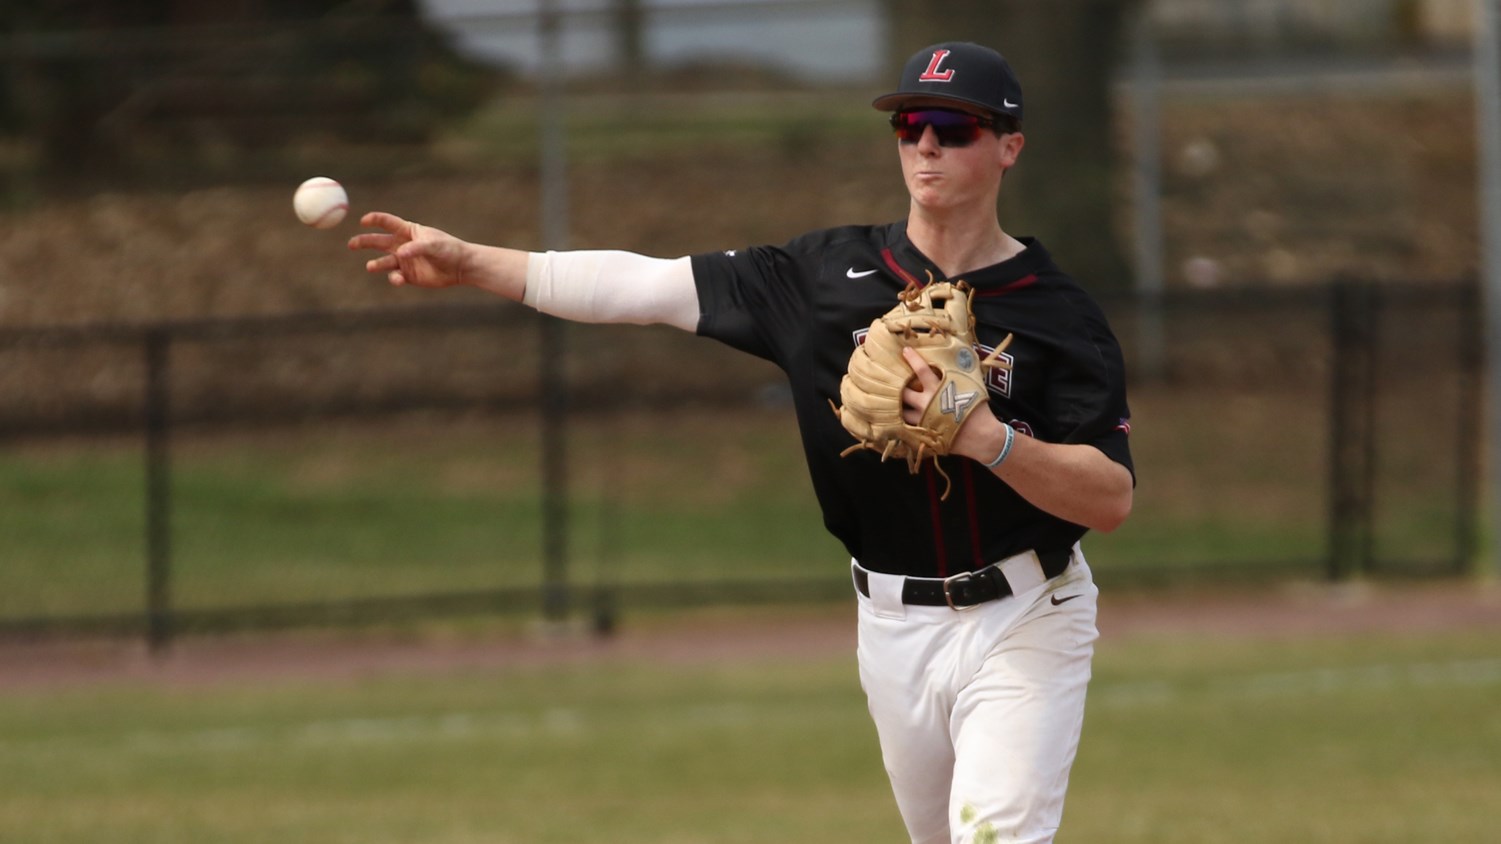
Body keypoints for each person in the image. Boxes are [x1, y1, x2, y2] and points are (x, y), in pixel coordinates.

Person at [350, 41, 1134, 844]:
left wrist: (985, 440)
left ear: (1008, 146)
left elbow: (1110, 498)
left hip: (1026, 613)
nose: (925, 143)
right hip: (892, 626)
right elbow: (643, 287)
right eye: (909, 125)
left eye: (953, 126)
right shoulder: (821, 277)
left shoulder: (1057, 313)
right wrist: (469, 261)